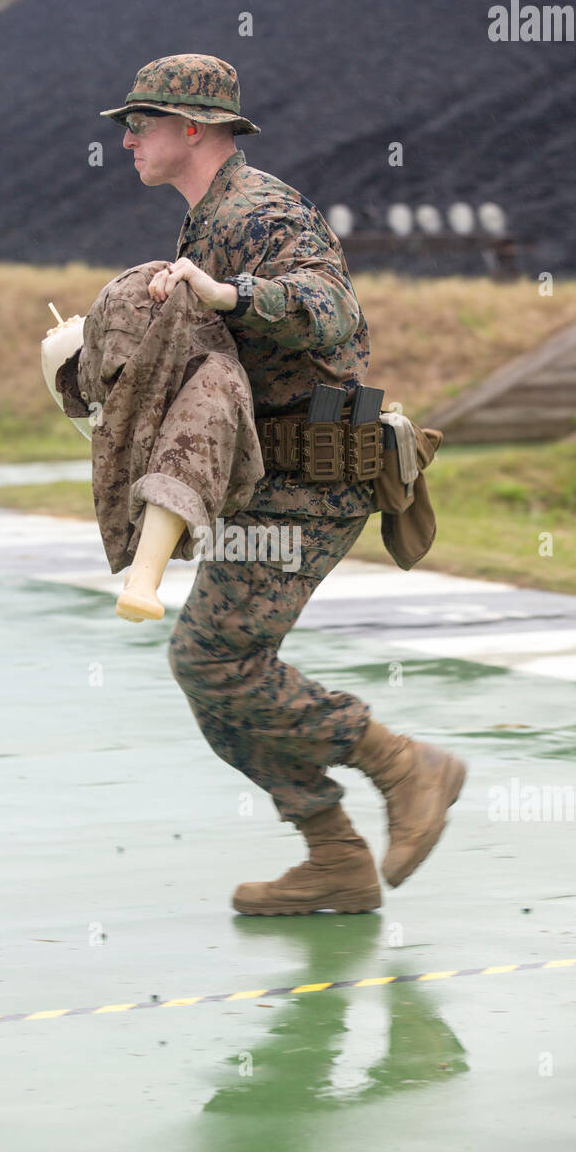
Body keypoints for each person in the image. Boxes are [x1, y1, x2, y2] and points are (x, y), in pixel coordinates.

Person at [98, 54, 466, 916]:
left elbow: (331, 305)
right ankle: (334, 857)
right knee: (215, 672)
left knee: (212, 659)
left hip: (320, 474)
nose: (126, 138)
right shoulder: (205, 219)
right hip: (272, 479)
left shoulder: (258, 208)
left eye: (141, 122)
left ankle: (404, 765)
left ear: (193, 130)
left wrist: (230, 293)